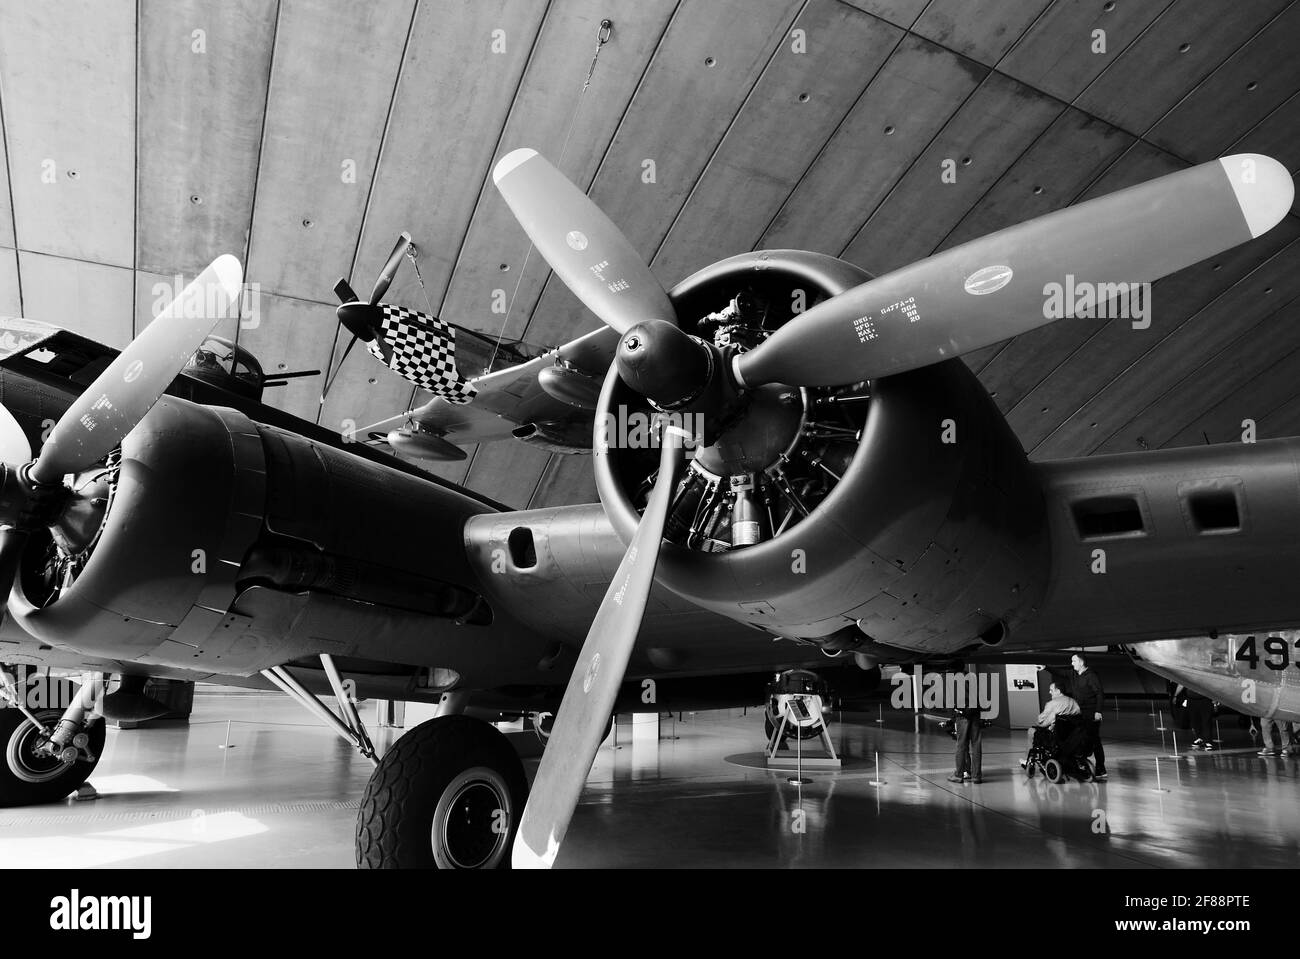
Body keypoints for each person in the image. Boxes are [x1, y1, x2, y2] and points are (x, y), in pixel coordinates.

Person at [1021, 681, 1081, 766]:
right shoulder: (1074, 702)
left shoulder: (1052, 704)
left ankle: (1029, 760)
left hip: (1056, 737)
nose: (1049, 692)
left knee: (1031, 731)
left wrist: (1038, 723)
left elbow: (1041, 722)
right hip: (1072, 737)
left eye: (1051, 690)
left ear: (1058, 691)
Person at [1071, 653, 1107, 779]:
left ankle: (1101, 768)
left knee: (1095, 740)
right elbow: (1061, 672)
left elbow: (1100, 694)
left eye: (1074, 661)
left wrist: (1098, 711)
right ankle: (1082, 763)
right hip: (1081, 713)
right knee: (1082, 737)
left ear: (1081, 662)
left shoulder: (1091, 676)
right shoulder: (1075, 675)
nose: (1072, 663)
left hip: (1091, 713)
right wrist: (1045, 667)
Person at [1177, 685, 1216, 750]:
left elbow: (1212, 685)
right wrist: (1175, 695)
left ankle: (1208, 741)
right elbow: (1181, 684)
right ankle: (1199, 738)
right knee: (1194, 720)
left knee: (1206, 720)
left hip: (1205, 699)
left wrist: (1215, 698)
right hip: (1191, 699)